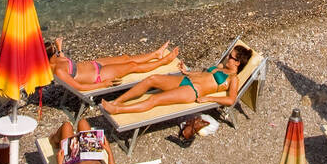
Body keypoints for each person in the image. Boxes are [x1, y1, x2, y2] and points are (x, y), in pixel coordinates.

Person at [101, 45, 253, 115]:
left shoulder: (233, 79)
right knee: (151, 79)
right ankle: (117, 101)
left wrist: (208, 98)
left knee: (155, 98)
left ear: (237, 63)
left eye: (230, 57)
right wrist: (187, 72)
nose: (227, 58)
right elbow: (204, 74)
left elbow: (231, 100)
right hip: (186, 80)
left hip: (192, 91)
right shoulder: (220, 66)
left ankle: (118, 110)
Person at [46, 38, 180, 91]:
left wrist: (59, 48)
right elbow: (79, 86)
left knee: (125, 58)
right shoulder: (58, 71)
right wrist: (104, 84)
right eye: (54, 49)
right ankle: (164, 61)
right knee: (132, 66)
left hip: (95, 64)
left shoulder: (56, 59)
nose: (56, 52)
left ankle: (155, 54)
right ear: (50, 56)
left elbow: (62, 58)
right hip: (98, 75)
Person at [48, 118, 114, 164]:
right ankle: (78, 138)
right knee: (83, 122)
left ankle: (54, 140)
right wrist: (109, 152)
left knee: (66, 126)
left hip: (72, 160)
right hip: (90, 153)